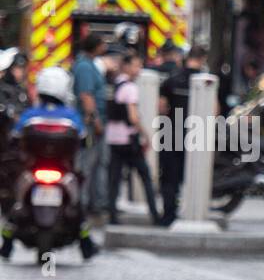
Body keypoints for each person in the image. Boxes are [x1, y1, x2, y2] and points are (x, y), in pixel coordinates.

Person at [1, 67, 99, 261]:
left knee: (15, 210)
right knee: (78, 209)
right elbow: (84, 140)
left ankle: (7, 246)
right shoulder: (71, 116)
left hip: (33, 171)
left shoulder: (31, 114)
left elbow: (14, 137)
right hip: (62, 171)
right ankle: (86, 246)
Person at [104, 49, 161, 226]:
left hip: (113, 138)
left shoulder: (114, 85)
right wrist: (146, 135)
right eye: (136, 65)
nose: (139, 69)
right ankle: (154, 214)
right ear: (127, 66)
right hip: (128, 140)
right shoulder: (130, 88)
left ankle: (112, 215)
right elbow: (133, 117)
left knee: (114, 178)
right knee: (145, 175)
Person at [155, 45, 208, 226]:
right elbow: (215, 110)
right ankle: (193, 213)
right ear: (202, 59)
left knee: (170, 178)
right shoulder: (207, 81)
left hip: (171, 133)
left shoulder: (172, 79)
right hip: (196, 135)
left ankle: (169, 215)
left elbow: (161, 107)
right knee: (195, 176)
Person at [72, 35, 112, 215]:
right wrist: (96, 121)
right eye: (102, 43)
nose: (105, 46)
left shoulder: (89, 64)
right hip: (89, 124)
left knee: (97, 164)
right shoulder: (85, 67)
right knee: (87, 164)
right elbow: (87, 96)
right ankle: (83, 203)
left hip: (93, 122)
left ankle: (95, 201)